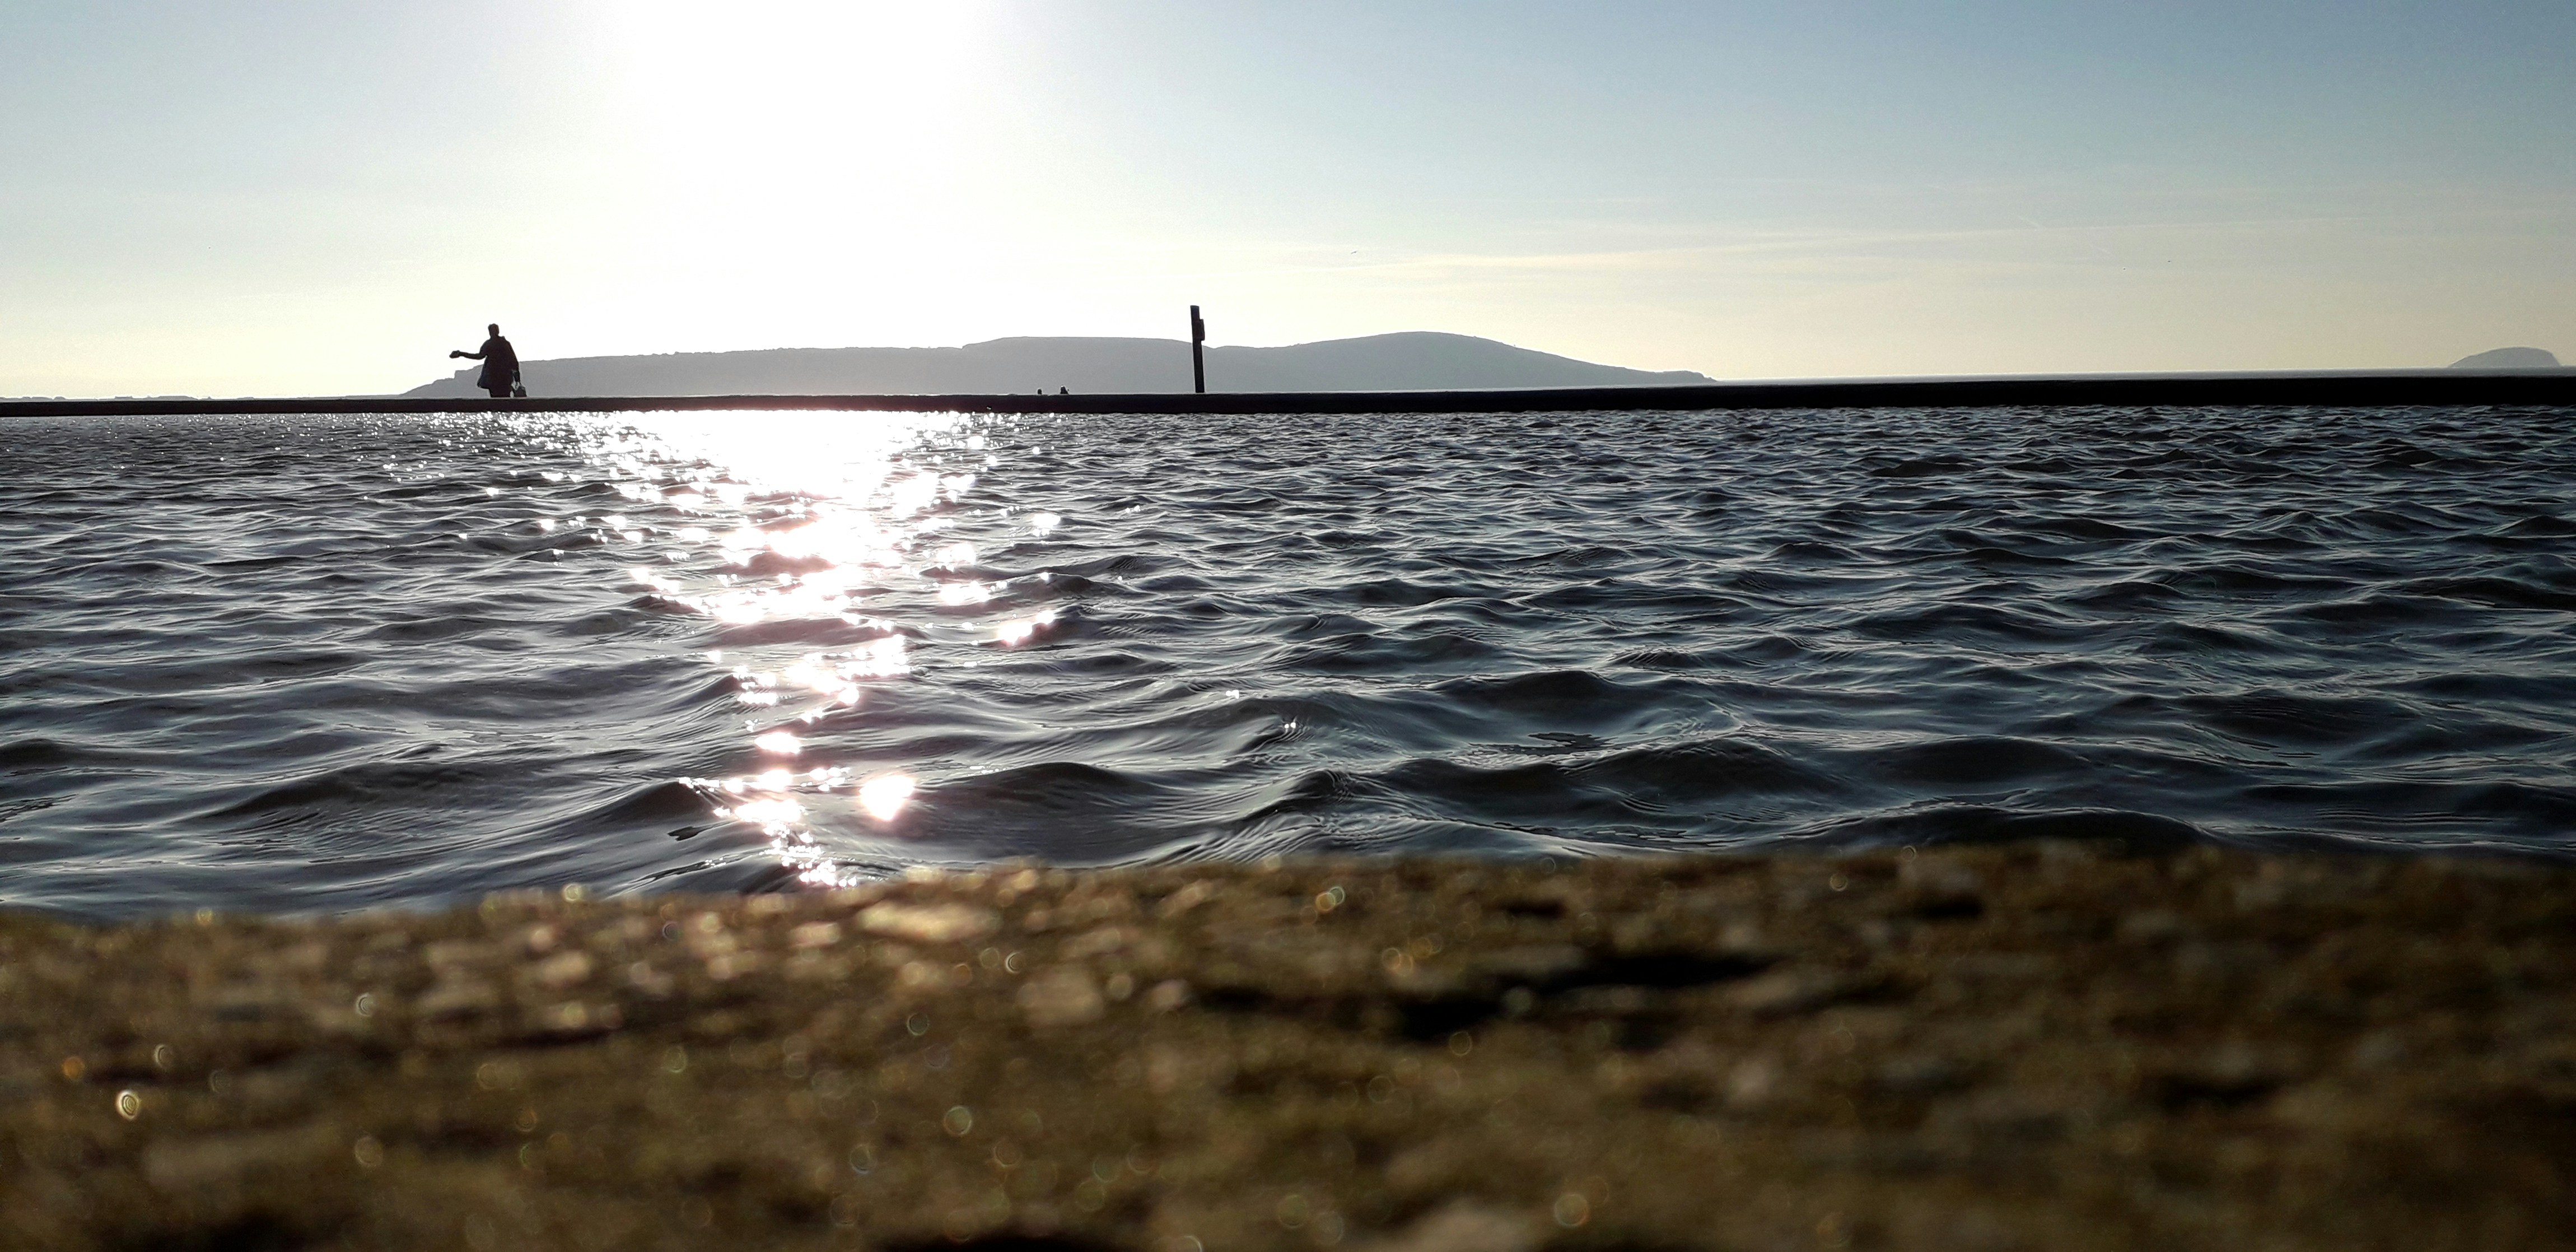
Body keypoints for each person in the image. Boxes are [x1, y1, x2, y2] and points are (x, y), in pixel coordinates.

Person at [450, 324, 522, 398]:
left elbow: (513, 360)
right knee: (500, 399)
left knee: (501, 398)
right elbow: (513, 361)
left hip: (501, 376)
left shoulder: (500, 343)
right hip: (495, 376)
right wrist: (462, 354)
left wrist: (517, 378)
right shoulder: (494, 344)